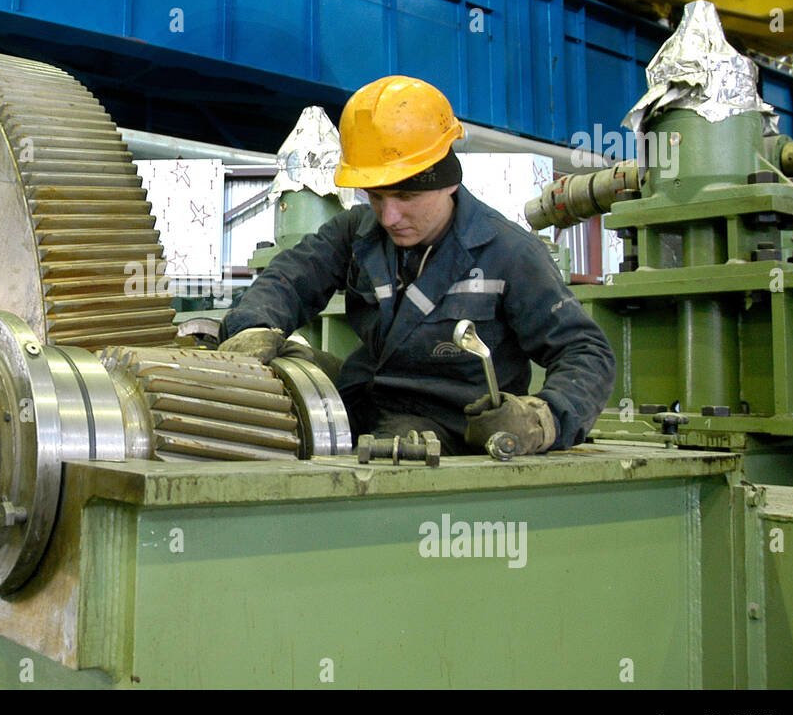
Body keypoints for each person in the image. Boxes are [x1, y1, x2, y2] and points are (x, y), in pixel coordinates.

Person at [219, 76, 615, 456]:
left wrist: (542, 419)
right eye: (376, 196)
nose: (389, 217)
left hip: (448, 427)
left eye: (406, 196)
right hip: (362, 400)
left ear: (447, 182)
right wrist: (254, 326)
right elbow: (290, 278)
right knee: (279, 375)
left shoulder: (508, 253)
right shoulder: (358, 232)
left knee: (396, 440)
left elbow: (586, 351)